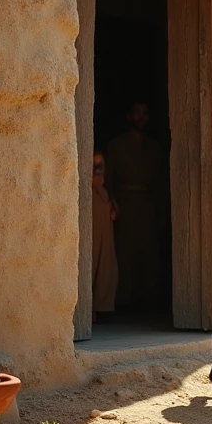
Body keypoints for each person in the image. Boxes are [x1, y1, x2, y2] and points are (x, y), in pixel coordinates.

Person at [105, 100, 167, 312]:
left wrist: (162, 212)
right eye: (137, 112)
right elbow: (108, 177)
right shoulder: (116, 145)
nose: (141, 117)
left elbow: (160, 182)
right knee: (124, 251)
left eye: (145, 113)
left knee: (149, 252)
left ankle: (147, 301)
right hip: (124, 204)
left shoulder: (154, 147)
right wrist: (111, 200)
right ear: (129, 116)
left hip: (147, 205)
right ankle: (123, 301)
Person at [91, 150, 118, 323]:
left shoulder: (104, 190)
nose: (97, 170)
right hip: (93, 237)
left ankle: (99, 306)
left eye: (100, 165)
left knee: (105, 267)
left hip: (104, 237)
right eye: (93, 165)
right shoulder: (87, 192)